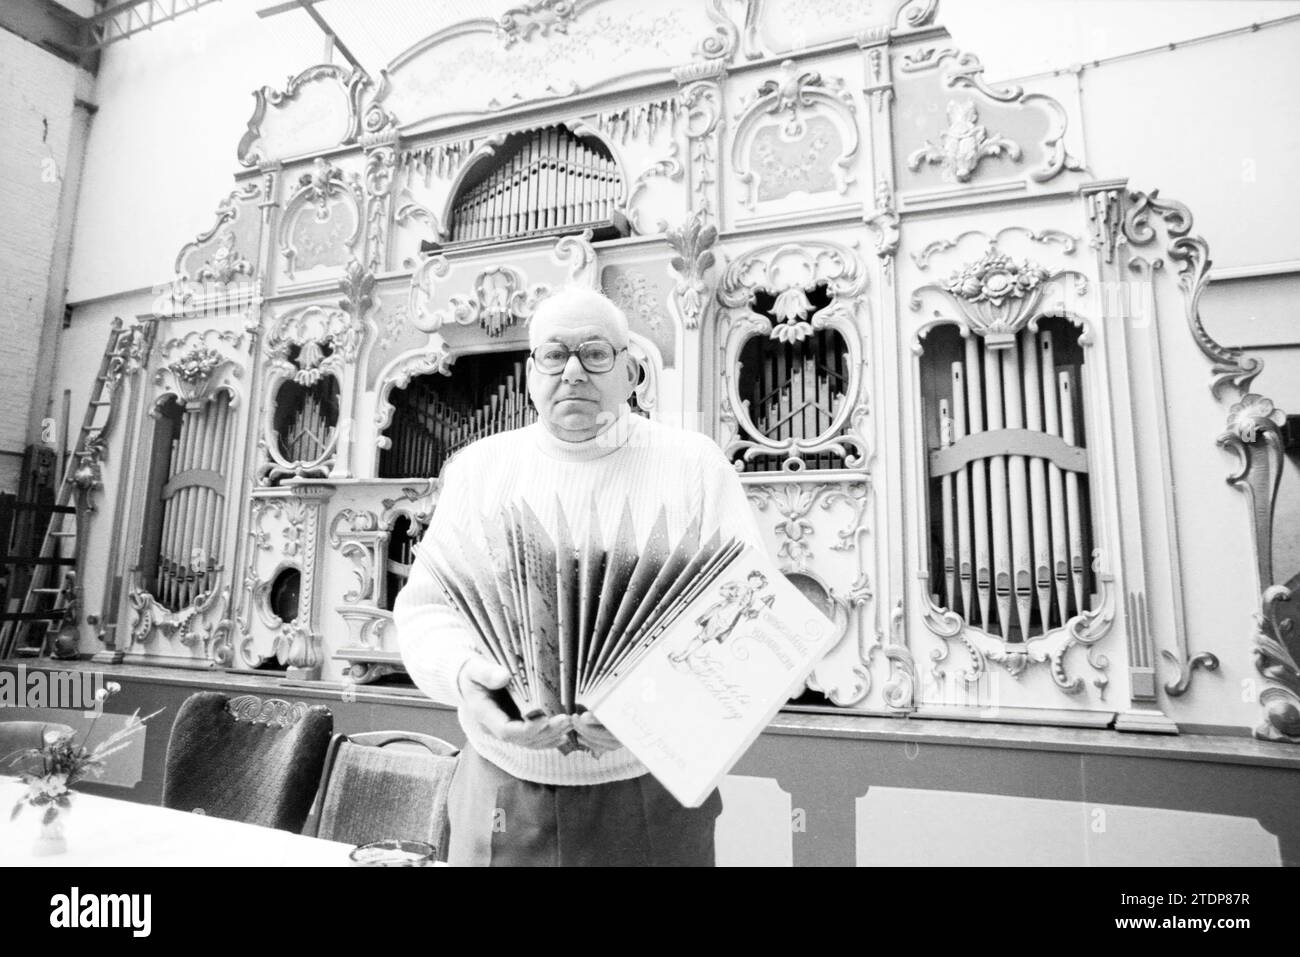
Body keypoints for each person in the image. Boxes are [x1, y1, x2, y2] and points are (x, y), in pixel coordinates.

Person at [394, 285, 763, 866]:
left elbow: (748, 622)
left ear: (630, 370)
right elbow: (426, 610)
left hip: (650, 788)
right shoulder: (478, 469)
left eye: (595, 353)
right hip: (502, 783)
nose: (573, 371)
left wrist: (655, 711)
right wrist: (465, 677)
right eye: (553, 354)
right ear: (530, 371)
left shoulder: (695, 466)